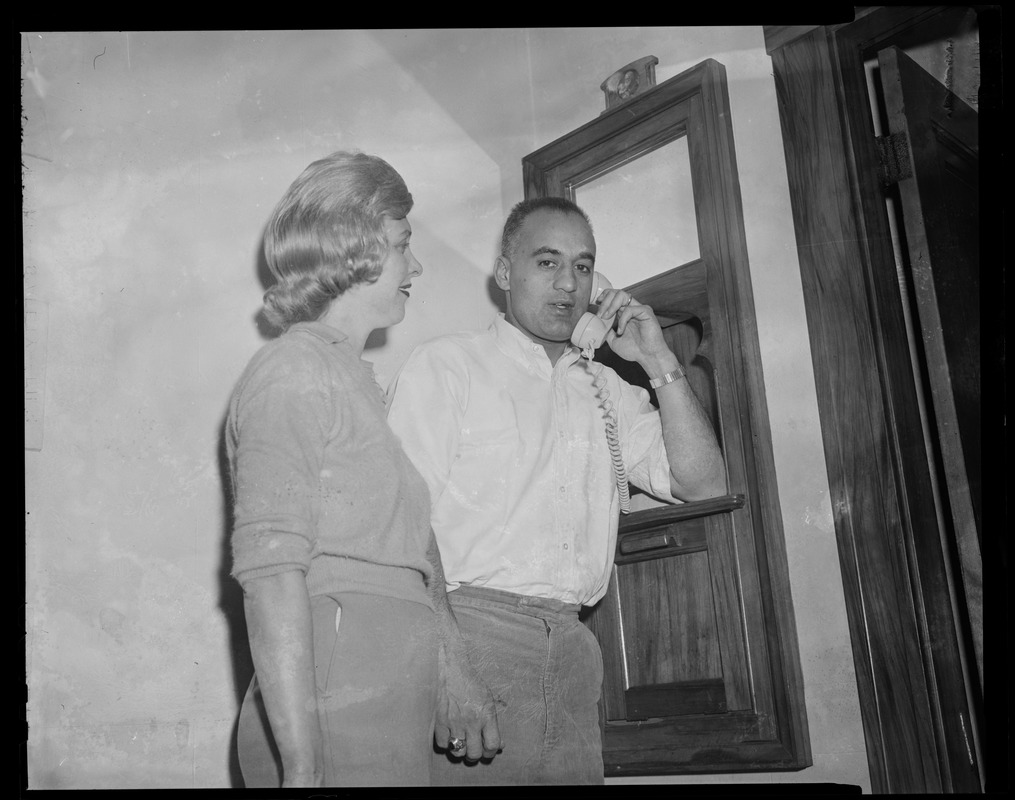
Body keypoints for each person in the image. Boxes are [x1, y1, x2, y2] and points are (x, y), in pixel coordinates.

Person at [385, 196, 726, 785]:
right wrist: (448, 668)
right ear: (504, 274)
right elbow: (399, 527)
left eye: (584, 265)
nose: (569, 282)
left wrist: (658, 359)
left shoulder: (607, 390)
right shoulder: (446, 367)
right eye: (547, 262)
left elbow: (705, 483)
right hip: (468, 637)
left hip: (572, 651)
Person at [226, 151, 500, 788]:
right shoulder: (293, 371)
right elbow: (270, 576)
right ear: (357, 248)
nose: (417, 265)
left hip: (378, 709)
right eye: (405, 245)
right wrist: (302, 766)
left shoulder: (351, 379)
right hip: (332, 717)